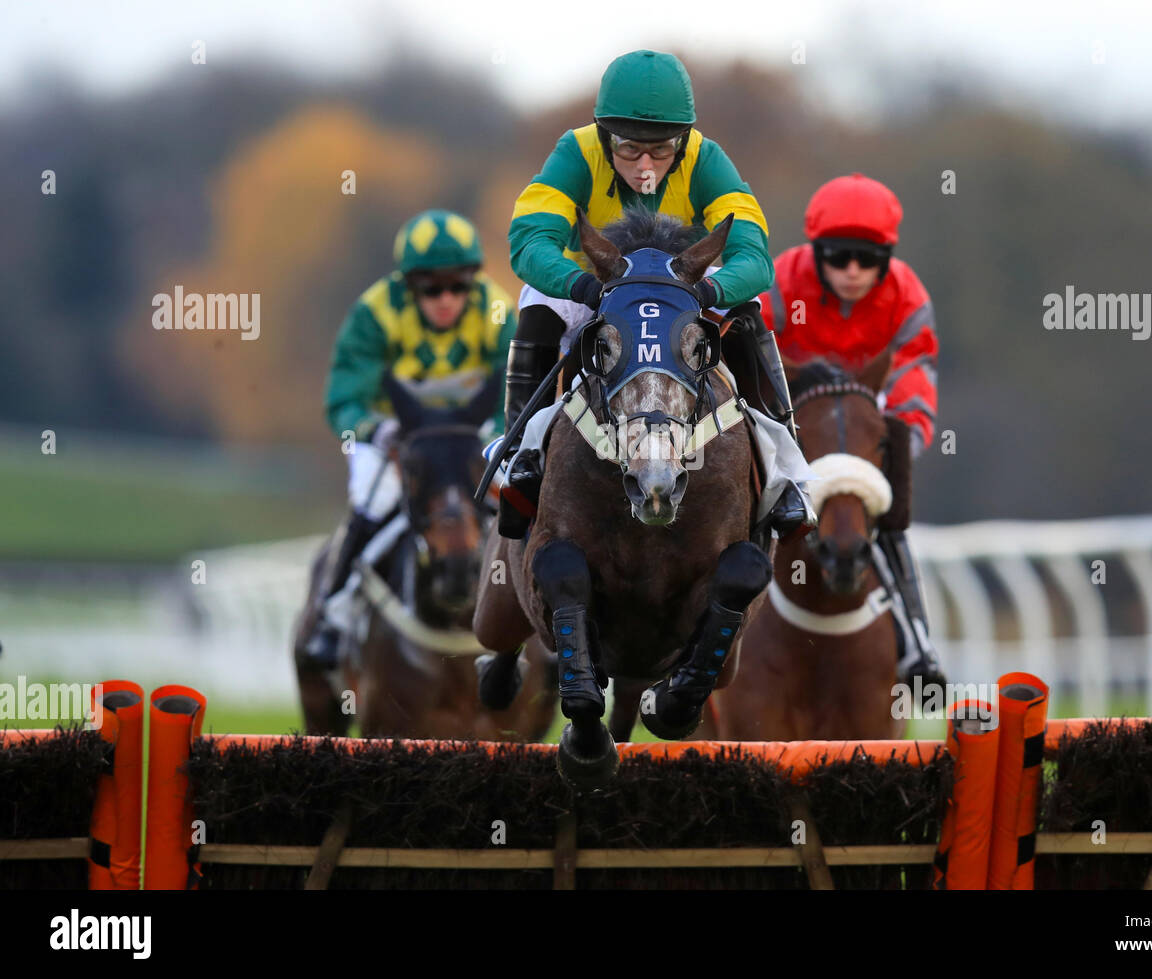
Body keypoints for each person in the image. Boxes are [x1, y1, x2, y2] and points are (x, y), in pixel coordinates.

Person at [493, 49, 812, 540]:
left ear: (683, 140)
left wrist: (707, 289)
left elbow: (754, 257)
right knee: (539, 302)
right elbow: (529, 241)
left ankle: (785, 463)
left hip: (680, 296)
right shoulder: (575, 152)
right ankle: (520, 456)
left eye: (661, 149)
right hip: (594, 289)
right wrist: (581, 284)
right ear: (603, 134)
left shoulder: (707, 158)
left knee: (746, 312)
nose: (645, 165)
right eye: (627, 148)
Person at [302, 208, 516, 668]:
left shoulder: (499, 312)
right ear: (408, 285)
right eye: (430, 288)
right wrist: (373, 429)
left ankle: (544, 626)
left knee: (521, 502)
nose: (445, 299)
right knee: (372, 501)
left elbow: (519, 390)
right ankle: (332, 615)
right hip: (396, 440)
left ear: (473, 282)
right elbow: (343, 399)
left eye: (458, 286)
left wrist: (500, 433)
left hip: (469, 439)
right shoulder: (374, 315)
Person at [758, 173, 945, 686]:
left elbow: (913, 380)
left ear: (888, 257)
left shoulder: (908, 296)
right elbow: (747, 364)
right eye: (839, 257)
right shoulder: (777, 284)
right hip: (790, 426)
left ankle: (918, 651)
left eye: (869, 259)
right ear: (816, 251)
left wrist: (897, 447)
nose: (854, 271)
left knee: (891, 515)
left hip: (865, 430)